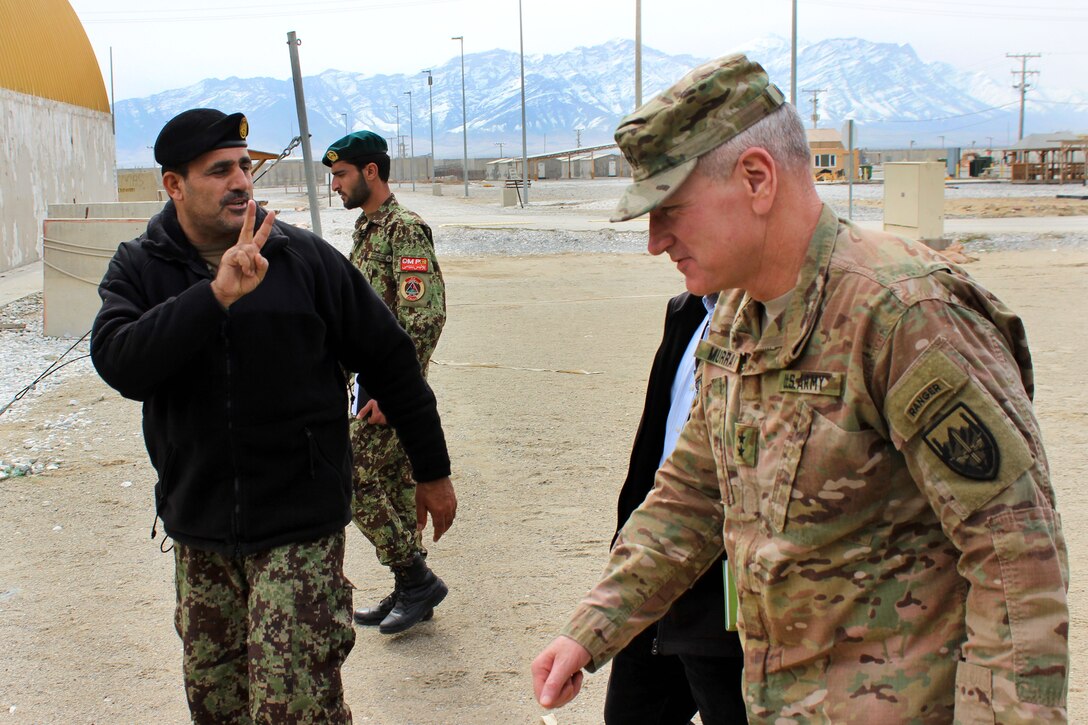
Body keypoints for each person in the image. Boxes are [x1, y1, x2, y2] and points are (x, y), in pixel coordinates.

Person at [532, 55, 1069, 722]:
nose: (654, 240)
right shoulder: (737, 317)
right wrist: (593, 626)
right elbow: (693, 492)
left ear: (757, 177)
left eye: (669, 209)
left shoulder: (904, 317)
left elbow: (1015, 557)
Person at [91, 108, 456, 722]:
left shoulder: (303, 259)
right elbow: (122, 363)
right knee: (218, 705)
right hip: (200, 527)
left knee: (297, 706)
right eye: (218, 171)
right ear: (174, 185)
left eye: (243, 167)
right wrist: (214, 297)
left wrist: (433, 468)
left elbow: (391, 355)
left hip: (299, 523)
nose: (240, 182)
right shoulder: (140, 265)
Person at [322, 130, 450, 634]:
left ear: (370, 172)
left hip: (390, 390)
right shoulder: (368, 230)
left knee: (353, 480)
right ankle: (409, 587)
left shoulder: (404, 231)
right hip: (367, 385)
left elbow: (423, 319)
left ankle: (415, 578)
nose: (334, 185)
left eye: (340, 174)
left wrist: (394, 394)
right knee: (393, 486)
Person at [604, 289, 746, 725]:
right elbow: (658, 448)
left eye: (675, 216)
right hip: (656, 564)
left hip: (729, 594)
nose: (657, 243)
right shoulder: (686, 310)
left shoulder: (789, 323)